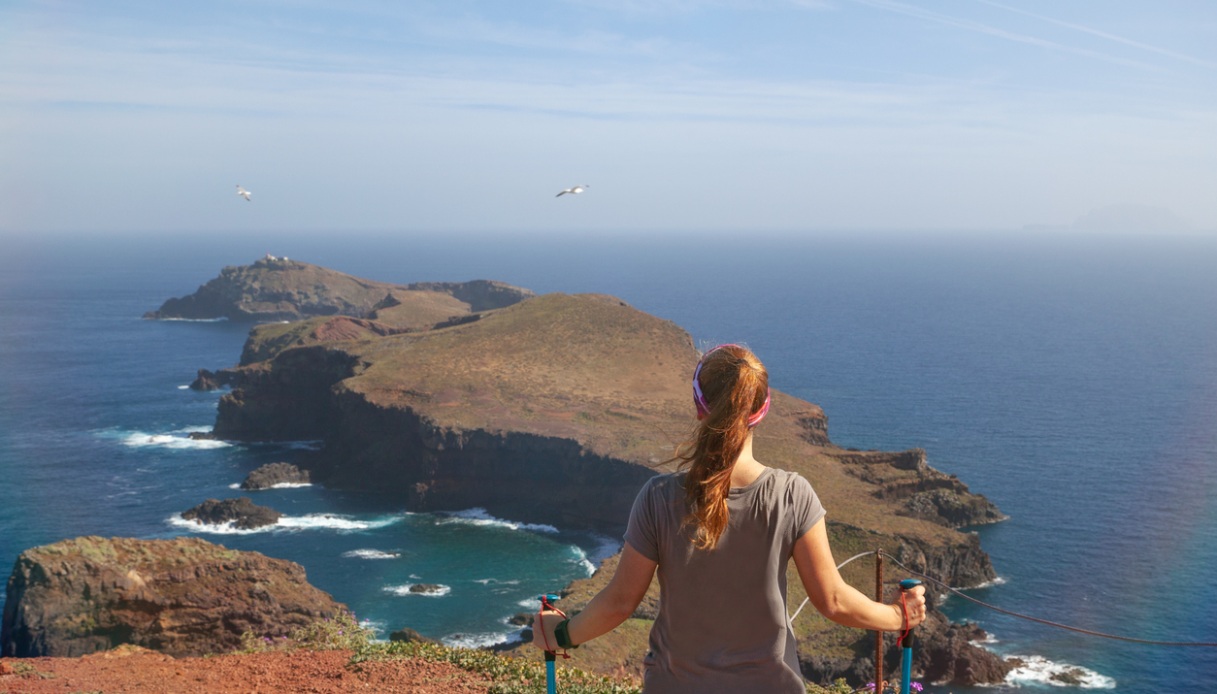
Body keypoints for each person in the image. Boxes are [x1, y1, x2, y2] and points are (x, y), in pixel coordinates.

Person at [532, 343, 927, 693]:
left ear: (698, 407)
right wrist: (898, 615)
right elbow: (834, 601)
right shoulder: (792, 494)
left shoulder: (657, 498)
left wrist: (561, 633)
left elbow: (620, 603)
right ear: (761, 411)